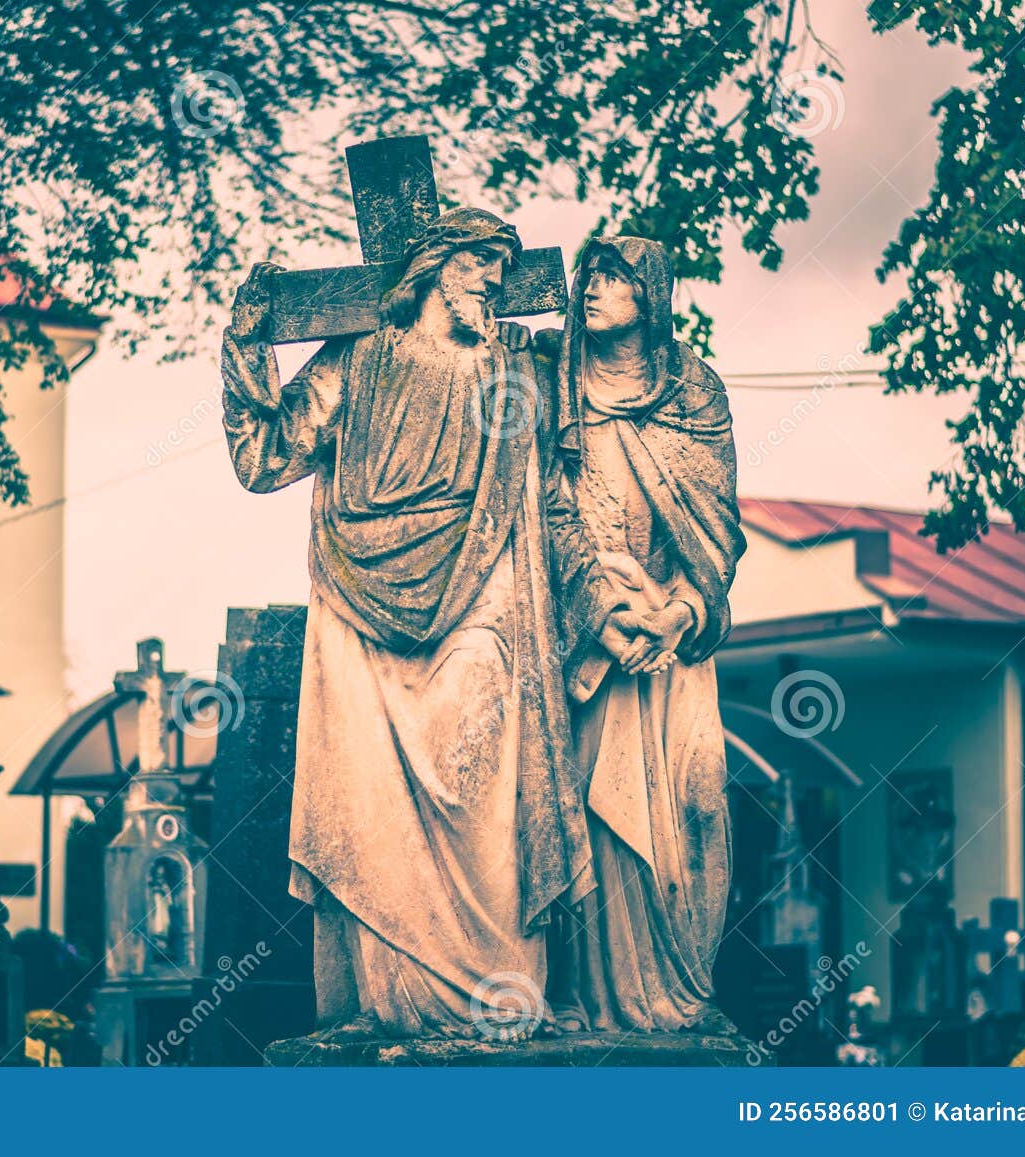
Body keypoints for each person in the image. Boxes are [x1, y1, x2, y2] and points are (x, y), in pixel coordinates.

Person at [221, 209, 620, 1040]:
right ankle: (391, 1001)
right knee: (371, 805)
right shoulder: (358, 357)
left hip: (481, 602)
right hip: (361, 605)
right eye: (477, 262)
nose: (493, 281)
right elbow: (266, 456)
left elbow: (547, 497)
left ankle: (497, 982)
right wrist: (248, 346)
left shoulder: (514, 373)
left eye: (502, 268)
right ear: (435, 265)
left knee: (484, 779)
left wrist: (596, 597)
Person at [538, 235, 746, 1033]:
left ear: (650, 294)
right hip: (590, 647)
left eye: (615, 276)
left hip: (672, 642)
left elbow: (717, 540)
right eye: (589, 274)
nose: (594, 287)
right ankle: (608, 1002)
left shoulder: (694, 394)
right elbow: (544, 516)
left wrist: (680, 613)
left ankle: (681, 988)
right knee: (595, 817)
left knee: (697, 800)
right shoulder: (553, 381)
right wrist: (603, 609)